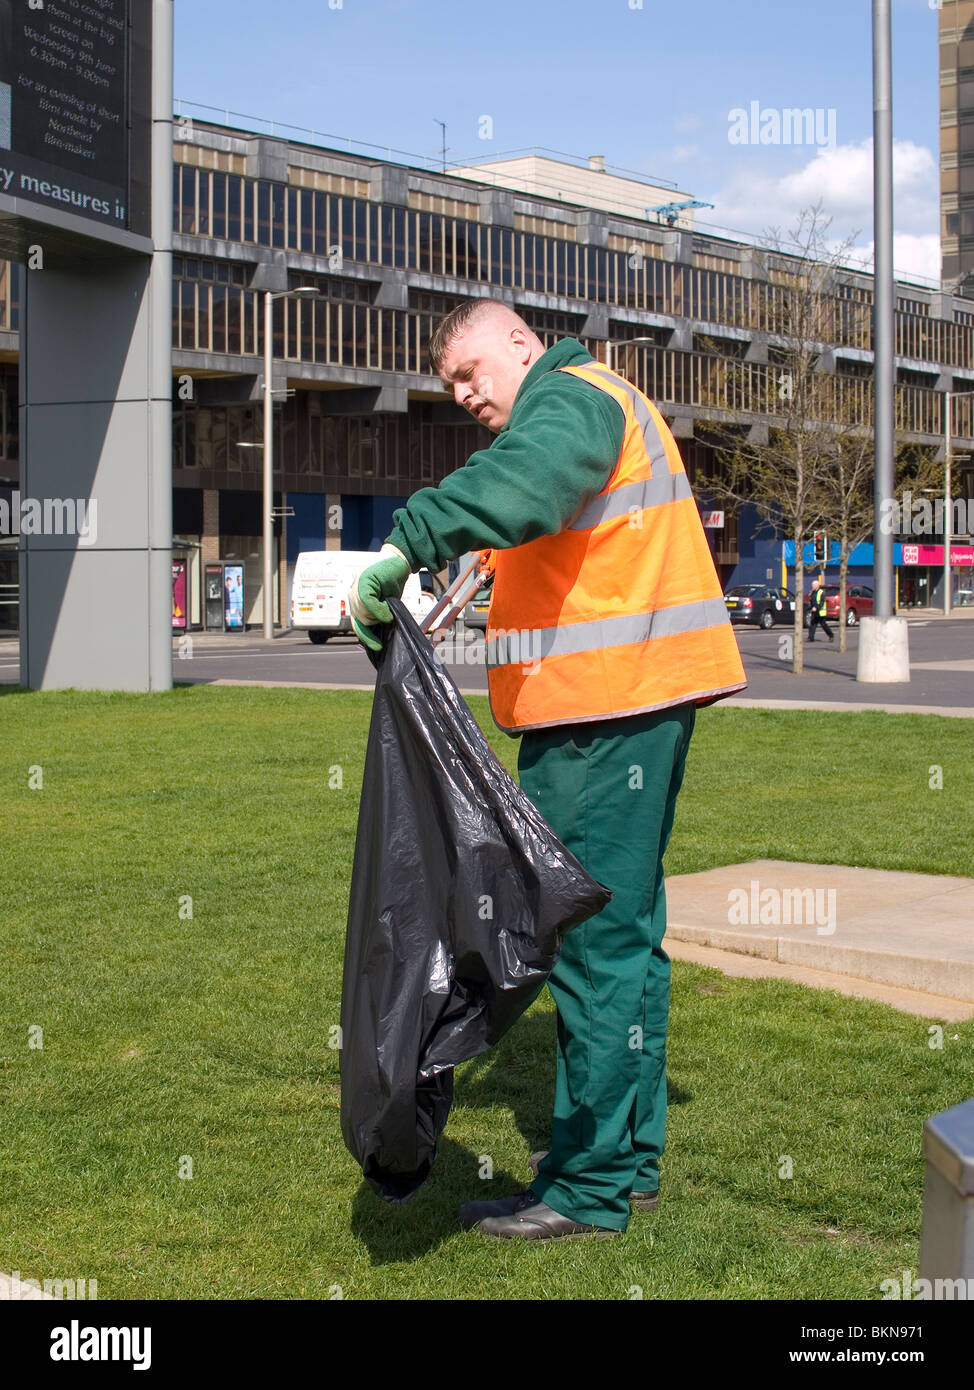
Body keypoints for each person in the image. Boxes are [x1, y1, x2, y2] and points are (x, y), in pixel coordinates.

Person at [348, 300, 746, 1240]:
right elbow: (539, 524)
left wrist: (408, 539)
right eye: (451, 385)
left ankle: (590, 1189)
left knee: (591, 946)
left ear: (523, 344)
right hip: (630, 707)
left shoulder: (567, 405)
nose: (464, 394)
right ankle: (624, 1160)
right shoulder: (593, 408)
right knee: (628, 938)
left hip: (602, 716)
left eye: (473, 370)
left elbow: (522, 483)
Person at [807, 576, 834, 643]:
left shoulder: (821, 592)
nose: (812, 586)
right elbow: (812, 601)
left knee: (824, 625)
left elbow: (822, 602)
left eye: (813, 585)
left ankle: (831, 635)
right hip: (814, 611)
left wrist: (816, 607)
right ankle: (811, 637)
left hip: (820, 612)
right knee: (813, 624)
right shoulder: (813, 592)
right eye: (812, 585)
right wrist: (811, 607)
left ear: (817, 586)